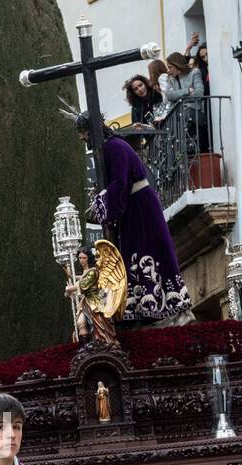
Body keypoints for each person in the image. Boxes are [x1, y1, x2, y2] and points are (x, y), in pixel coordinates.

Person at [78, 112, 193, 325]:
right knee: (134, 253)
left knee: (147, 251)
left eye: (83, 132)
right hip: (134, 208)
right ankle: (143, 305)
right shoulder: (110, 148)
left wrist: (102, 204)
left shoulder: (115, 147)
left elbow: (120, 183)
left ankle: (166, 309)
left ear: (93, 130)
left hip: (141, 208)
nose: (81, 138)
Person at [162, 52, 208, 150]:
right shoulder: (171, 79)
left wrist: (178, 97)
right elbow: (169, 95)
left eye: (170, 67)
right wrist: (187, 91)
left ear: (177, 65)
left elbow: (199, 93)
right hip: (179, 118)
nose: (168, 70)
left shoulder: (194, 73)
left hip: (194, 114)